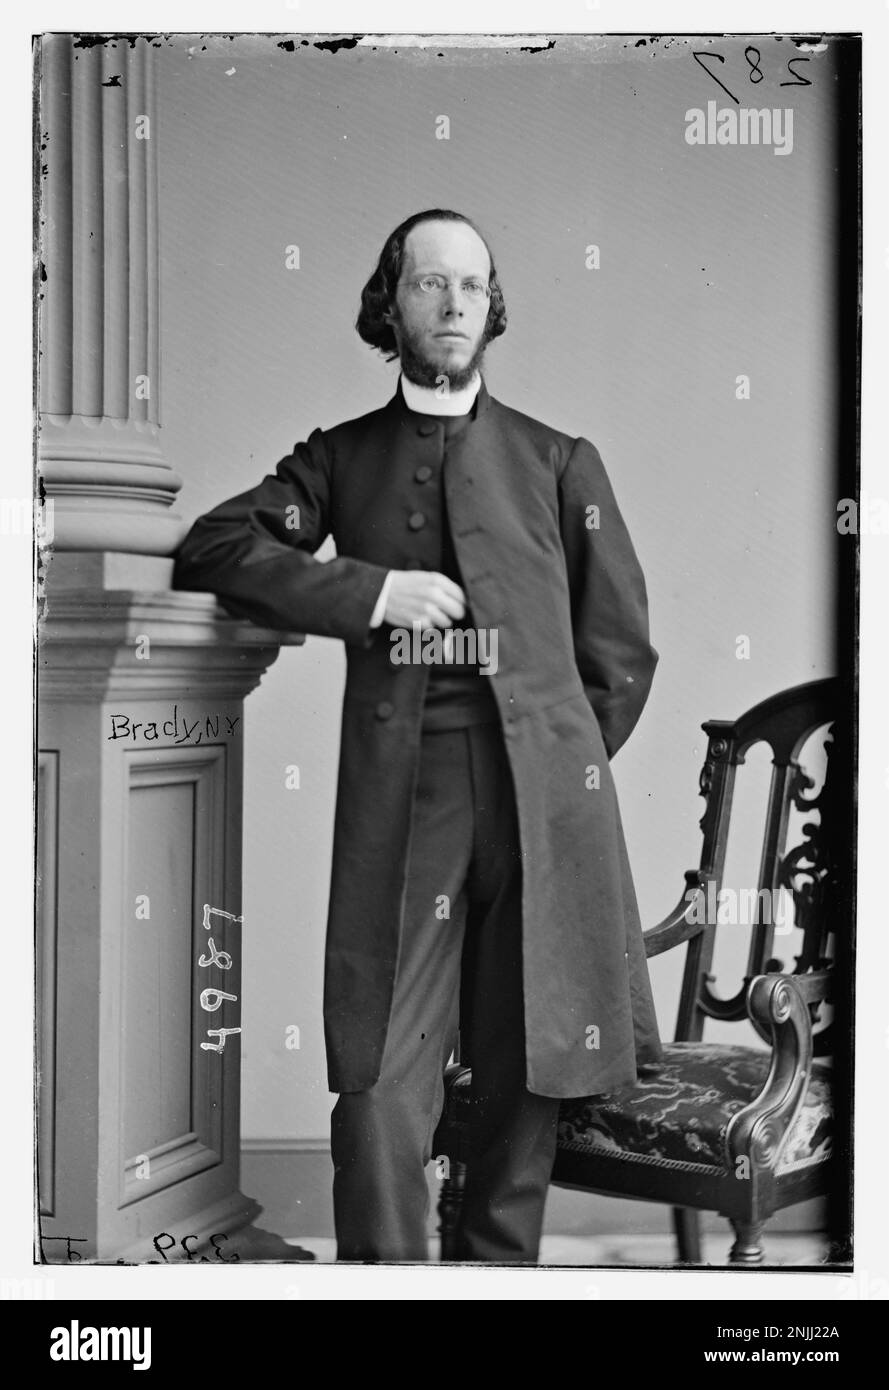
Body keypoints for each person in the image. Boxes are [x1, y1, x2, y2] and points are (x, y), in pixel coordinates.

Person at [173, 208, 663, 1263]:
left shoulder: (559, 461)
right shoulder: (338, 460)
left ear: (494, 310)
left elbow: (620, 657)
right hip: (407, 802)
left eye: (472, 287)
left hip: (544, 809)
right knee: (380, 1083)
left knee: (525, 1072)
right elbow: (215, 546)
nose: (451, 305)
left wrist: (554, 771)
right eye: (429, 284)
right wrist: (372, 590)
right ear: (388, 304)